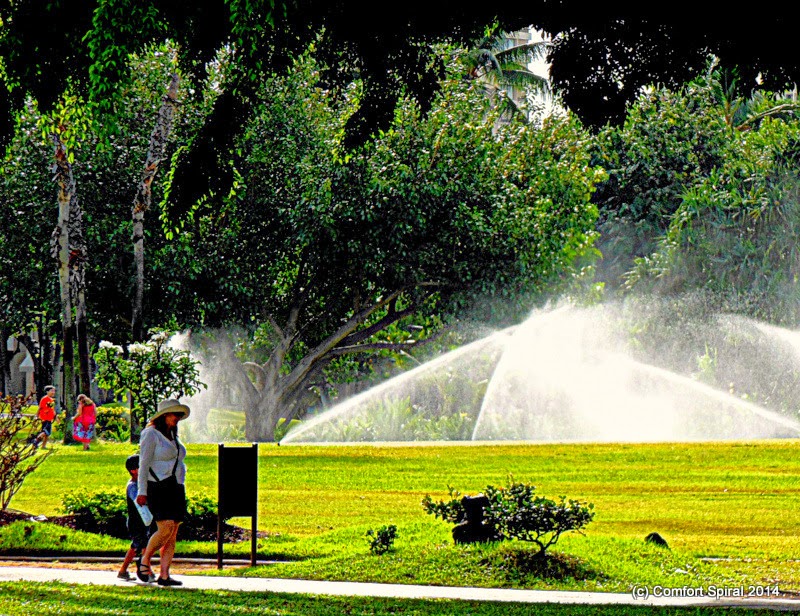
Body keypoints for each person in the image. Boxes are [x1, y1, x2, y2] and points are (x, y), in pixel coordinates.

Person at [136, 399, 190, 586]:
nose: (178, 418)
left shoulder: (172, 434)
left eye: (179, 415)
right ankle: (145, 560)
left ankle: (165, 574)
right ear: (164, 415)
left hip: (175, 486)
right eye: (175, 414)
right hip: (157, 486)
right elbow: (143, 464)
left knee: (173, 531)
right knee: (165, 527)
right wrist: (142, 491)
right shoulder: (151, 434)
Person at [118, 454, 154, 580]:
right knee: (141, 545)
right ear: (133, 470)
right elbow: (139, 502)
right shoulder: (133, 486)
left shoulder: (141, 483)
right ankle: (145, 570)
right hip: (136, 522)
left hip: (143, 520)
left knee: (138, 545)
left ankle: (125, 570)